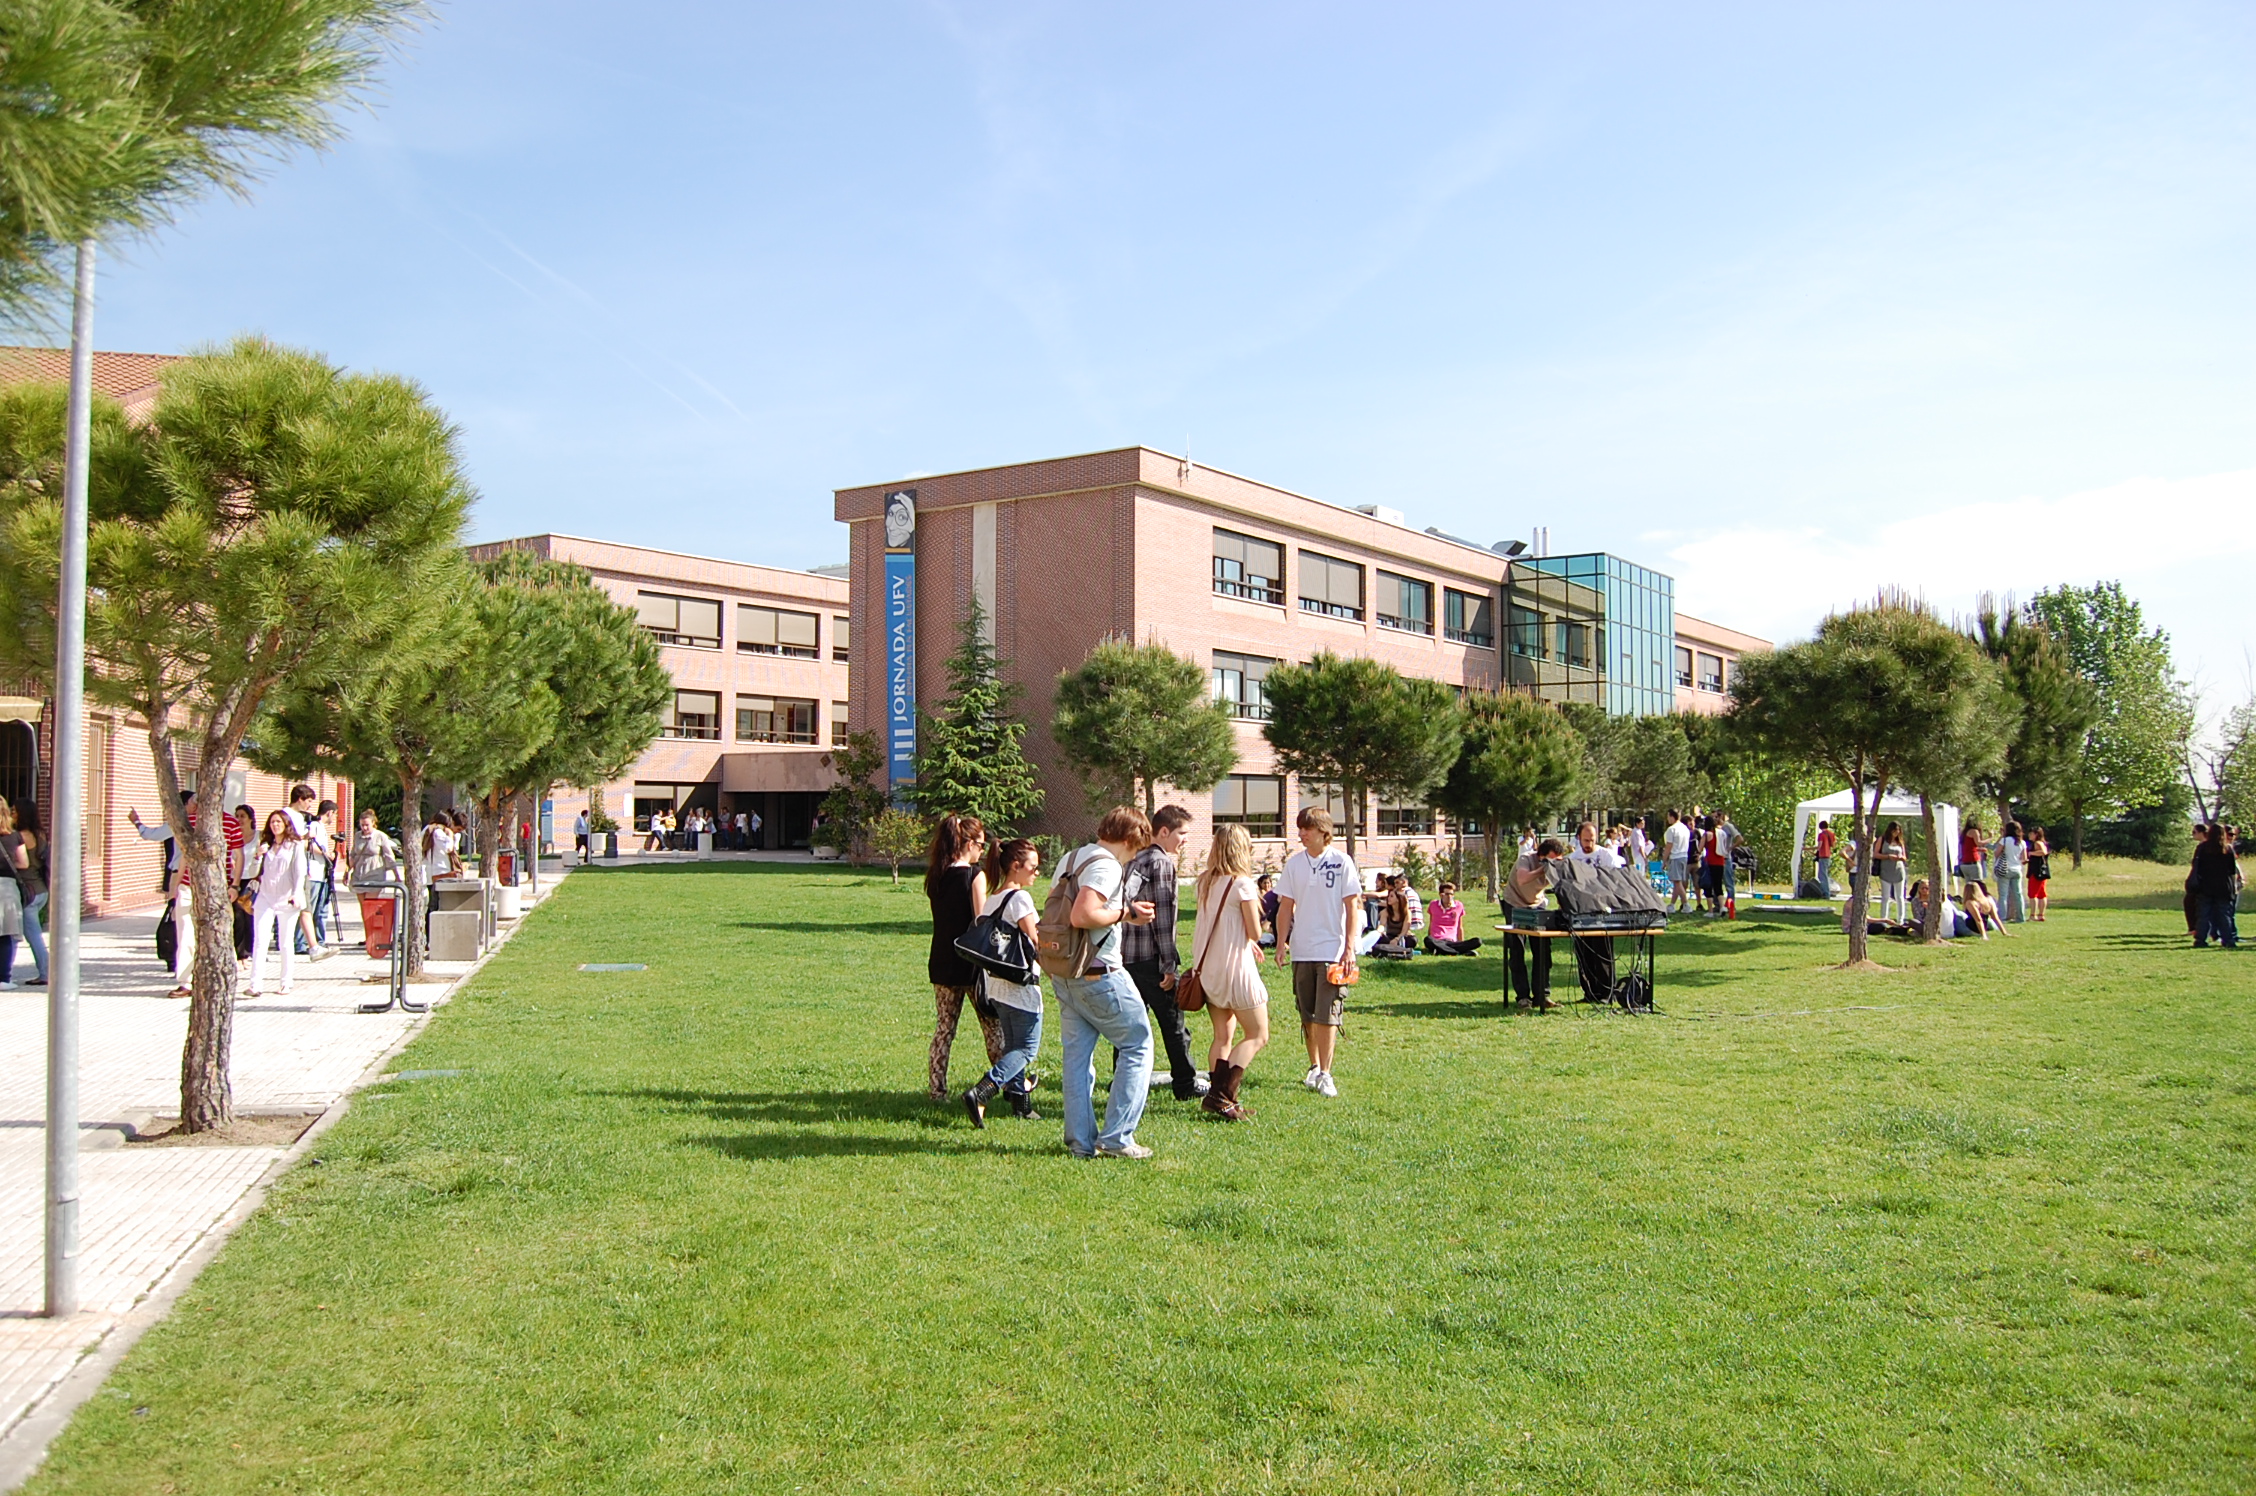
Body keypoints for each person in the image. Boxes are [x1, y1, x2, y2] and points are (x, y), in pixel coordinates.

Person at [1053, 806, 1160, 1158]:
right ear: (1130, 840)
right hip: (1099, 973)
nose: (1132, 859)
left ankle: (1080, 1144)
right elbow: (1082, 914)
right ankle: (1117, 1138)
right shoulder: (1105, 864)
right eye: (1135, 850)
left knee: (1077, 1060)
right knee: (1138, 1044)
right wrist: (1127, 914)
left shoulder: (1071, 858)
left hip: (1065, 971)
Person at [1120, 804, 1207, 1100]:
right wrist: (1169, 964)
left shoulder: (1133, 859)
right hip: (1152, 959)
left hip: (1126, 957)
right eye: (1182, 833)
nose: (1185, 840)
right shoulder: (1161, 863)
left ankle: (1123, 1082)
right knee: (1173, 1024)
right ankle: (1184, 1083)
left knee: (1130, 1026)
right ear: (1165, 831)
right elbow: (1164, 918)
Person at [1276, 806, 1359, 1099]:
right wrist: (1281, 943)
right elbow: (1285, 906)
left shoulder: (1341, 862)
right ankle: (1313, 1066)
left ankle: (1326, 1073)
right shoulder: (1294, 864)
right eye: (1299, 829)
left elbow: (1352, 907)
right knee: (1307, 1013)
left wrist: (1349, 948)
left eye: (1307, 829)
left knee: (1328, 1014)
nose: (1301, 834)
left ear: (1324, 832)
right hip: (1302, 950)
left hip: (1332, 951)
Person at [962, 838, 1045, 1127]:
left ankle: (1022, 1106)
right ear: (1015, 866)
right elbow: (1037, 940)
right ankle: (983, 1090)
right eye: (1032, 867)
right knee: (1026, 1049)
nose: (1036, 872)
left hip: (996, 986)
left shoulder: (993, 899)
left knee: (1013, 1047)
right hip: (1020, 987)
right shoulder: (1020, 899)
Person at [924, 814, 1005, 1101]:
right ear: (968, 843)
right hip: (970, 965)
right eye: (980, 845)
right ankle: (1007, 1084)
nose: (982, 851)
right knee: (992, 1026)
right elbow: (980, 921)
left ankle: (937, 1090)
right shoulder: (974, 876)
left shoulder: (937, 874)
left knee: (944, 1029)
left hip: (942, 962)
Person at [1191, 823, 1268, 1121]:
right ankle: (1222, 1096)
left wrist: (1245, 942)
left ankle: (1223, 1098)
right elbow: (1255, 931)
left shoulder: (1205, 882)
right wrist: (1251, 940)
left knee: (1222, 1036)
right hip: (1237, 972)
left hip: (1208, 969)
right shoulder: (1243, 884)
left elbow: (1222, 926)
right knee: (1258, 1035)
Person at [130, 791, 196, 996]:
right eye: (194, 802)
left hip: (183, 876)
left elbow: (149, 834)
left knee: (181, 923)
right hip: (180, 876)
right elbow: (152, 834)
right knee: (179, 921)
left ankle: (179, 962)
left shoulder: (193, 824)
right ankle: (177, 964)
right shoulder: (178, 824)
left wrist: (137, 822)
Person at [245, 809, 308, 998]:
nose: (275, 825)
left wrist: (297, 894)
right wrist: (257, 856)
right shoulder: (266, 845)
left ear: (286, 824)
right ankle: (255, 984)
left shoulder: (294, 845)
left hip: (287, 897)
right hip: (265, 896)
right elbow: (253, 871)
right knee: (260, 941)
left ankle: (286, 982)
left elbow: (300, 872)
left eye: (279, 822)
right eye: (272, 822)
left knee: (285, 942)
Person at [1501, 837, 1565, 1010]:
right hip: (1514, 903)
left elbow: (1562, 887)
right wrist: (1543, 869)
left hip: (1537, 904)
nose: (1553, 864)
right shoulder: (1527, 859)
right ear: (1541, 856)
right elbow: (1522, 879)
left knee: (1543, 950)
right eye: (1550, 859)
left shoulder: (1556, 865)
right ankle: (1522, 997)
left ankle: (1542, 995)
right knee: (1517, 950)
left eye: (1557, 860)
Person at [3, 799, 49, 986]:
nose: (12, 814)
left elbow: (22, 863)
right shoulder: (40, 834)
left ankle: (45, 973)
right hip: (40, 890)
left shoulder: (20, 836)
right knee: (17, 934)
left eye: (14, 811)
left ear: (22, 813)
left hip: (27, 892)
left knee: (27, 935)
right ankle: (6, 972)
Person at [2189, 822, 2241, 949]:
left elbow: (2197, 866)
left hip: (2205, 885)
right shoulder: (2228, 849)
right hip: (2224, 886)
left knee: (2203, 915)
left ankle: (2200, 940)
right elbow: (2232, 870)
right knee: (2224, 915)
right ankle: (2228, 940)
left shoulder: (2202, 848)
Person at [304, 799, 341, 953]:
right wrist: (326, 854)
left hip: (322, 874)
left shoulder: (322, 828)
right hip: (313, 872)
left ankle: (319, 940)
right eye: (335, 814)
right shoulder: (314, 826)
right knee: (308, 909)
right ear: (329, 812)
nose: (334, 818)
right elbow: (310, 845)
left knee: (320, 909)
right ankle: (301, 943)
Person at [0, 797, 28, 988]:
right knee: (5, 934)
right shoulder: (14, 836)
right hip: (7, 887)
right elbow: (24, 863)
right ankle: (4, 977)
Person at [1422, 880, 1482, 955]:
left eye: (1451, 894)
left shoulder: (1459, 906)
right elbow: (1431, 924)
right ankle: (1459, 951)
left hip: (1451, 941)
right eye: (1447, 894)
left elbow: (1460, 926)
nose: (1450, 897)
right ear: (1441, 895)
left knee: (1477, 941)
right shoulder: (1433, 904)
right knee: (1428, 940)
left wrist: (1461, 942)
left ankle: (1442, 950)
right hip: (1437, 940)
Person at [1991, 822, 2027, 923]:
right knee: (2018, 894)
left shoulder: (2005, 840)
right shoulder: (2022, 842)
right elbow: (2024, 858)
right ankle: (2021, 917)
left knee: (2003, 895)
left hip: (2005, 869)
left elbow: (1996, 853)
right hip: (2017, 869)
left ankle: (2002, 918)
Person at [1874, 822, 1909, 922]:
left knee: (1900, 896)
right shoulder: (1882, 839)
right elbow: (1875, 854)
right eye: (1894, 830)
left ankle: (1900, 919)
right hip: (1885, 870)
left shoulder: (1900, 841)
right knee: (1885, 896)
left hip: (1898, 870)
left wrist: (1901, 858)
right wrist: (1888, 856)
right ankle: (1884, 919)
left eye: (1898, 830)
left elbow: (1904, 856)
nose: (1896, 833)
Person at [1662, 809, 1692, 913]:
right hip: (1684, 856)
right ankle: (1672, 904)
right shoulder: (1685, 828)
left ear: (1672, 816)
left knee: (1677, 882)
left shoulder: (1672, 829)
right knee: (1677, 882)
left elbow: (1669, 846)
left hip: (1675, 856)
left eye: (1668, 816)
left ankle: (1686, 904)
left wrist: (1664, 860)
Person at [2026, 826, 2052, 921]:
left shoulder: (2037, 843)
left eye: (2031, 833)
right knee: (2042, 893)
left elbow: (2043, 852)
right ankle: (2041, 914)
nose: (2029, 835)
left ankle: (2033, 915)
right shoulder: (2043, 843)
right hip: (2042, 871)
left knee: (2033, 894)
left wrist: (2031, 853)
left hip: (2036, 871)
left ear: (2036, 834)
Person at [1956, 819, 1986, 889]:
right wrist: (1990, 838)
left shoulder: (1965, 833)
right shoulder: (1974, 831)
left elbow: (1969, 847)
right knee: (1978, 886)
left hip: (1964, 863)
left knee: (1969, 887)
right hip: (1973, 863)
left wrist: (1979, 850)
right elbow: (1979, 843)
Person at [1813, 819, 1837, 898]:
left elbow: (1819, 846)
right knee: (1825, 874)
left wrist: (1806, 848)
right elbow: (1833, 846)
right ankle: (1826, 891)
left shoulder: (1821, 835)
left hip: (1823, 856)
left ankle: (1826, 893)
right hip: (1828, 856)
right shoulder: (1831, 834)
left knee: (1822, 875)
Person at [1255, 873, 1279, 947]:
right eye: (1264, 883)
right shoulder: (1258, 894)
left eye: (1268, 883)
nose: (1267, 885)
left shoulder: (1273, 893)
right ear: (1260, 884)